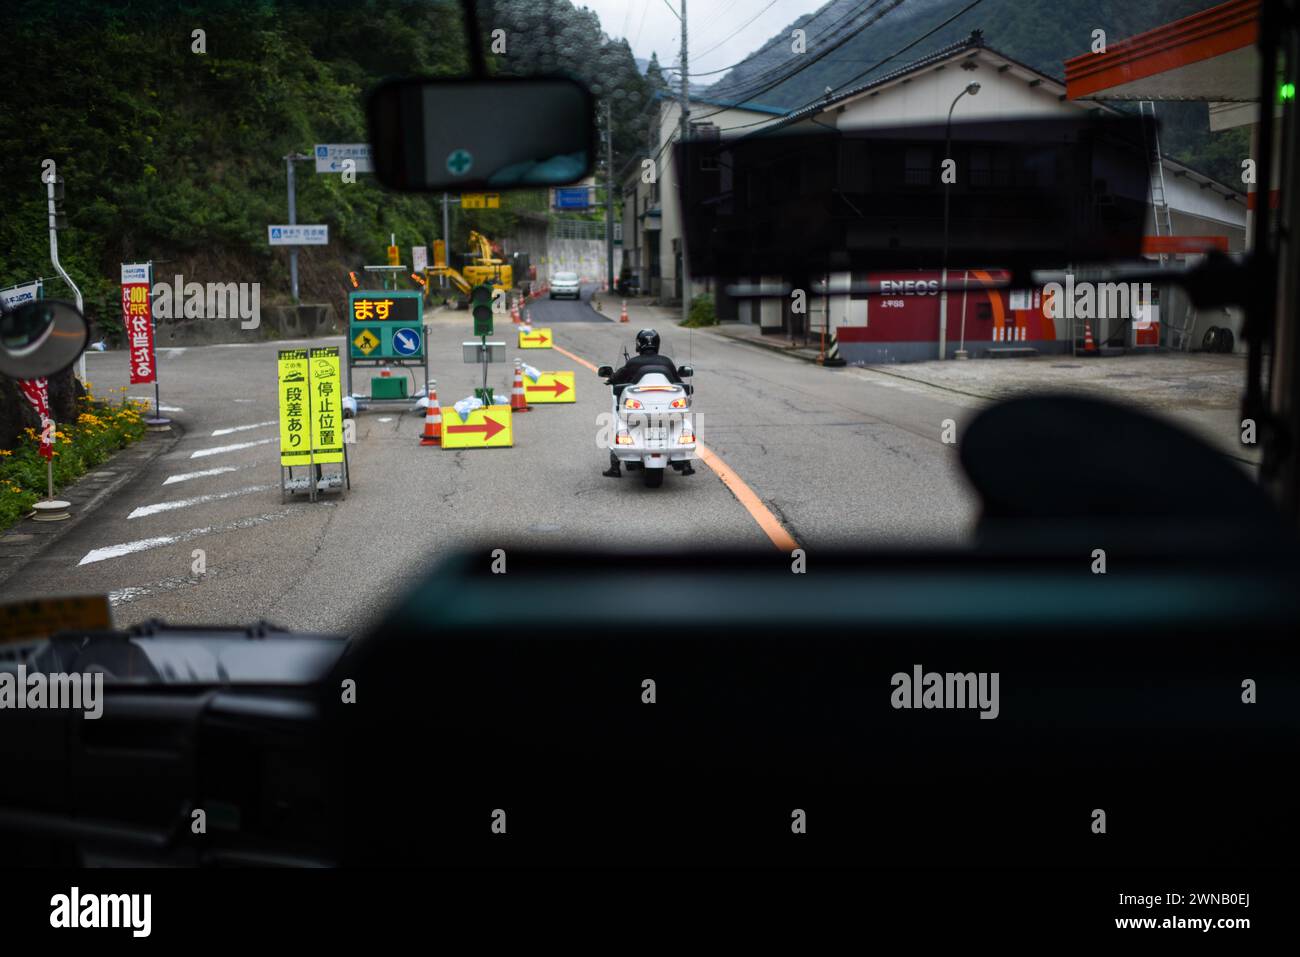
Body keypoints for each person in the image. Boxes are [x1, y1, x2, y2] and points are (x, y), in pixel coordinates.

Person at [602, 329, 694, 477]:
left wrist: (610, 378)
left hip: (638, 413)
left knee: (617, 420)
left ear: (639, 344)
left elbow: (616, 378)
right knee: (680, 424)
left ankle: (615, 467)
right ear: (657, 344)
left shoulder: (632, 363)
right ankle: (686, 464)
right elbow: (678, 382)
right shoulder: (667, 362)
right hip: (666, 412)